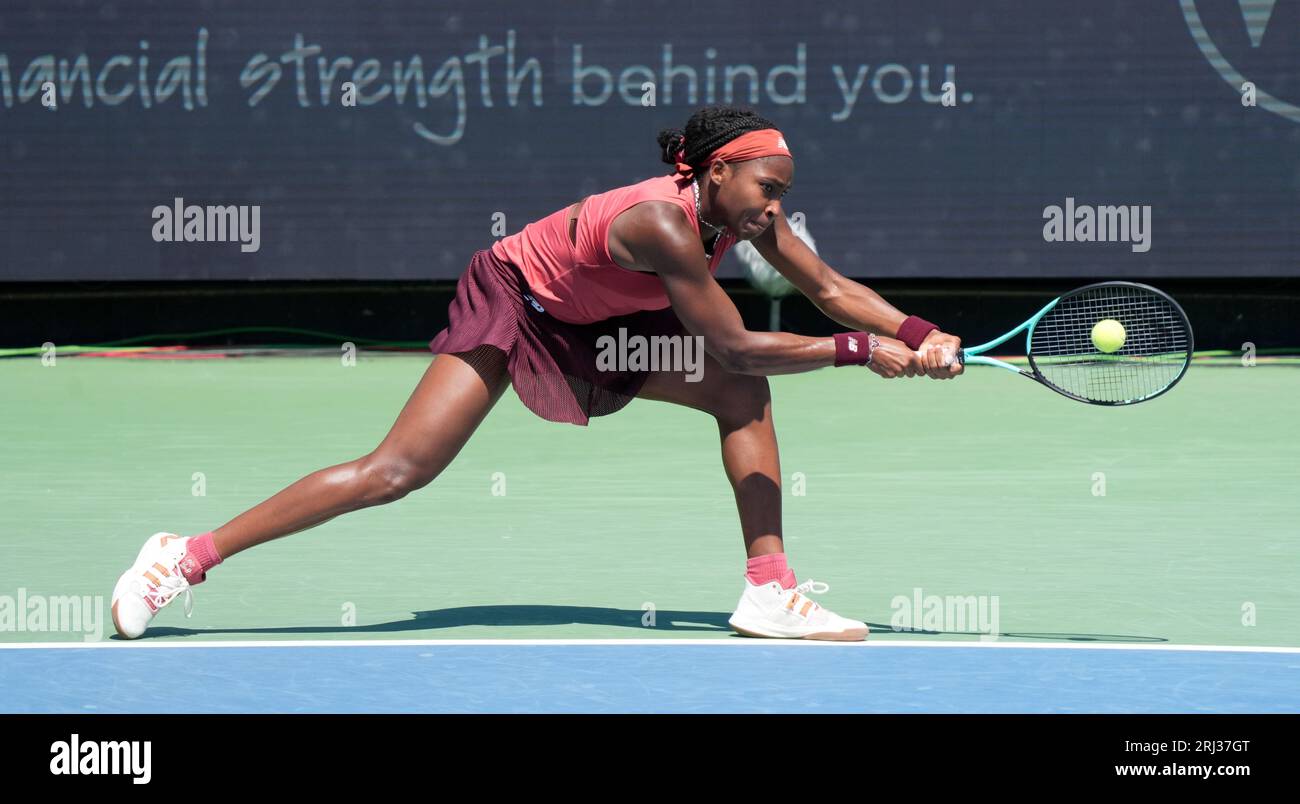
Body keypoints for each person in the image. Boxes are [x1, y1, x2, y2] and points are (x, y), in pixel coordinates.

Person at [111, 104, 963, 642]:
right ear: (717, 171)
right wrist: (860, 352)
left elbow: (826, 286)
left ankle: (769, 591)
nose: (775, 205)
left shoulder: (745, 212)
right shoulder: (664, 225)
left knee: (741, 397)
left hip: (606, 319)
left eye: (781, 189)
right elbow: (738, 342)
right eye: (766, 185)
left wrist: (924, 331)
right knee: (397, 471)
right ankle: (181, 556)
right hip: (517, 301)